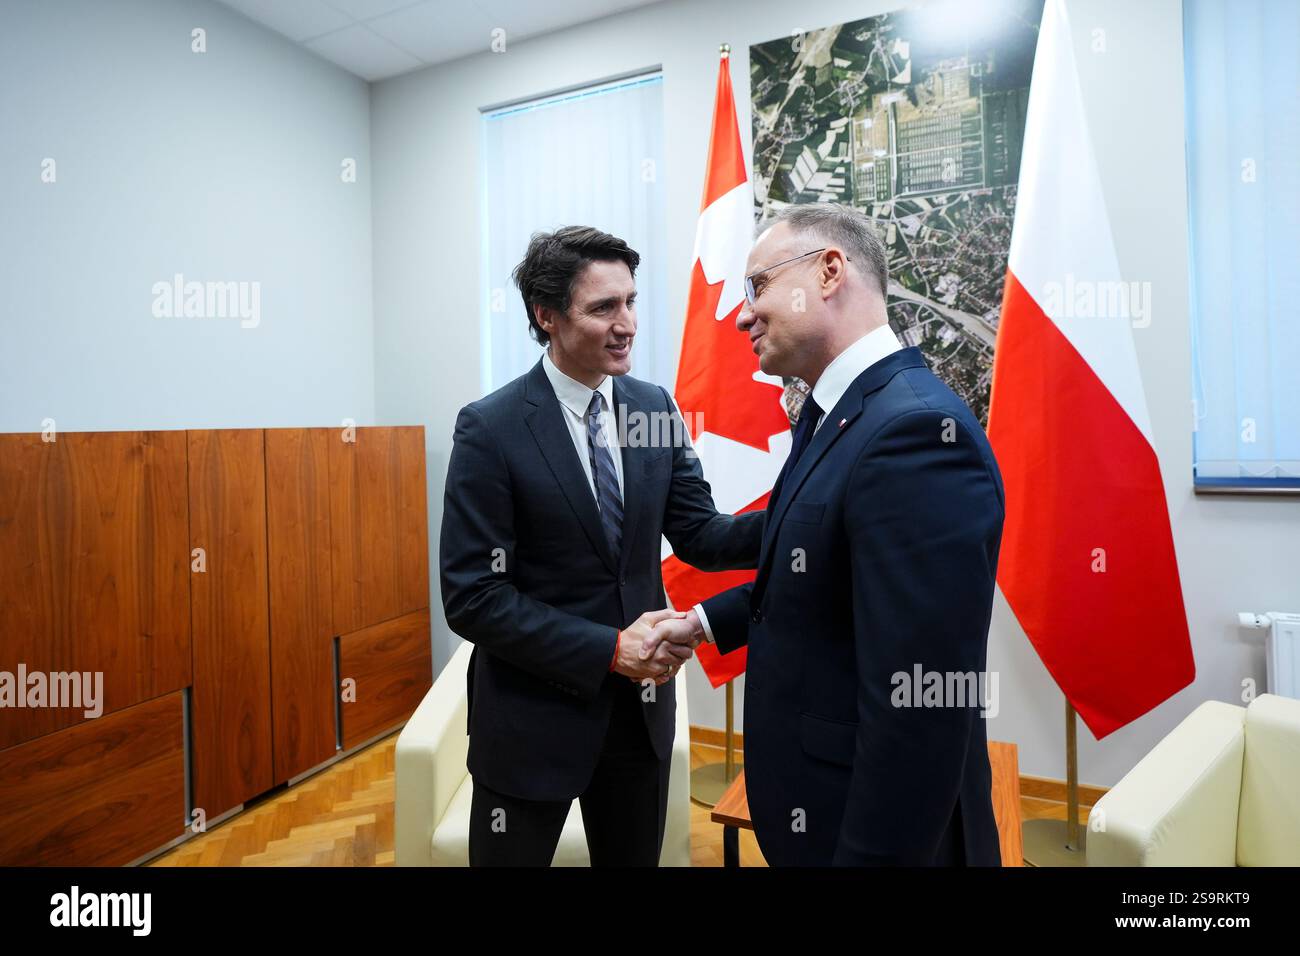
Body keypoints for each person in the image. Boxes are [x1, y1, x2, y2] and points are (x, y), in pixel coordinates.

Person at [645, 203, 1006, 865]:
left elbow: (918, 708)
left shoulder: (914, 435)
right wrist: (701, 624)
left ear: (830, 271)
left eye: (757, 286)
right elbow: (817, 573)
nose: (742, 313)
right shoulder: (840, 413)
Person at [440, 225, 763, 866]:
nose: (628, 325)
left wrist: (803, 513)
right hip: (532, 726)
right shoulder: (491, 428)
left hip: (637, 721)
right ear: (547, 316)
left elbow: (700, 534)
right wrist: (609, 649)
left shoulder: (651, 408)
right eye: (603, 308)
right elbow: (473, 597)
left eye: (631, 302)